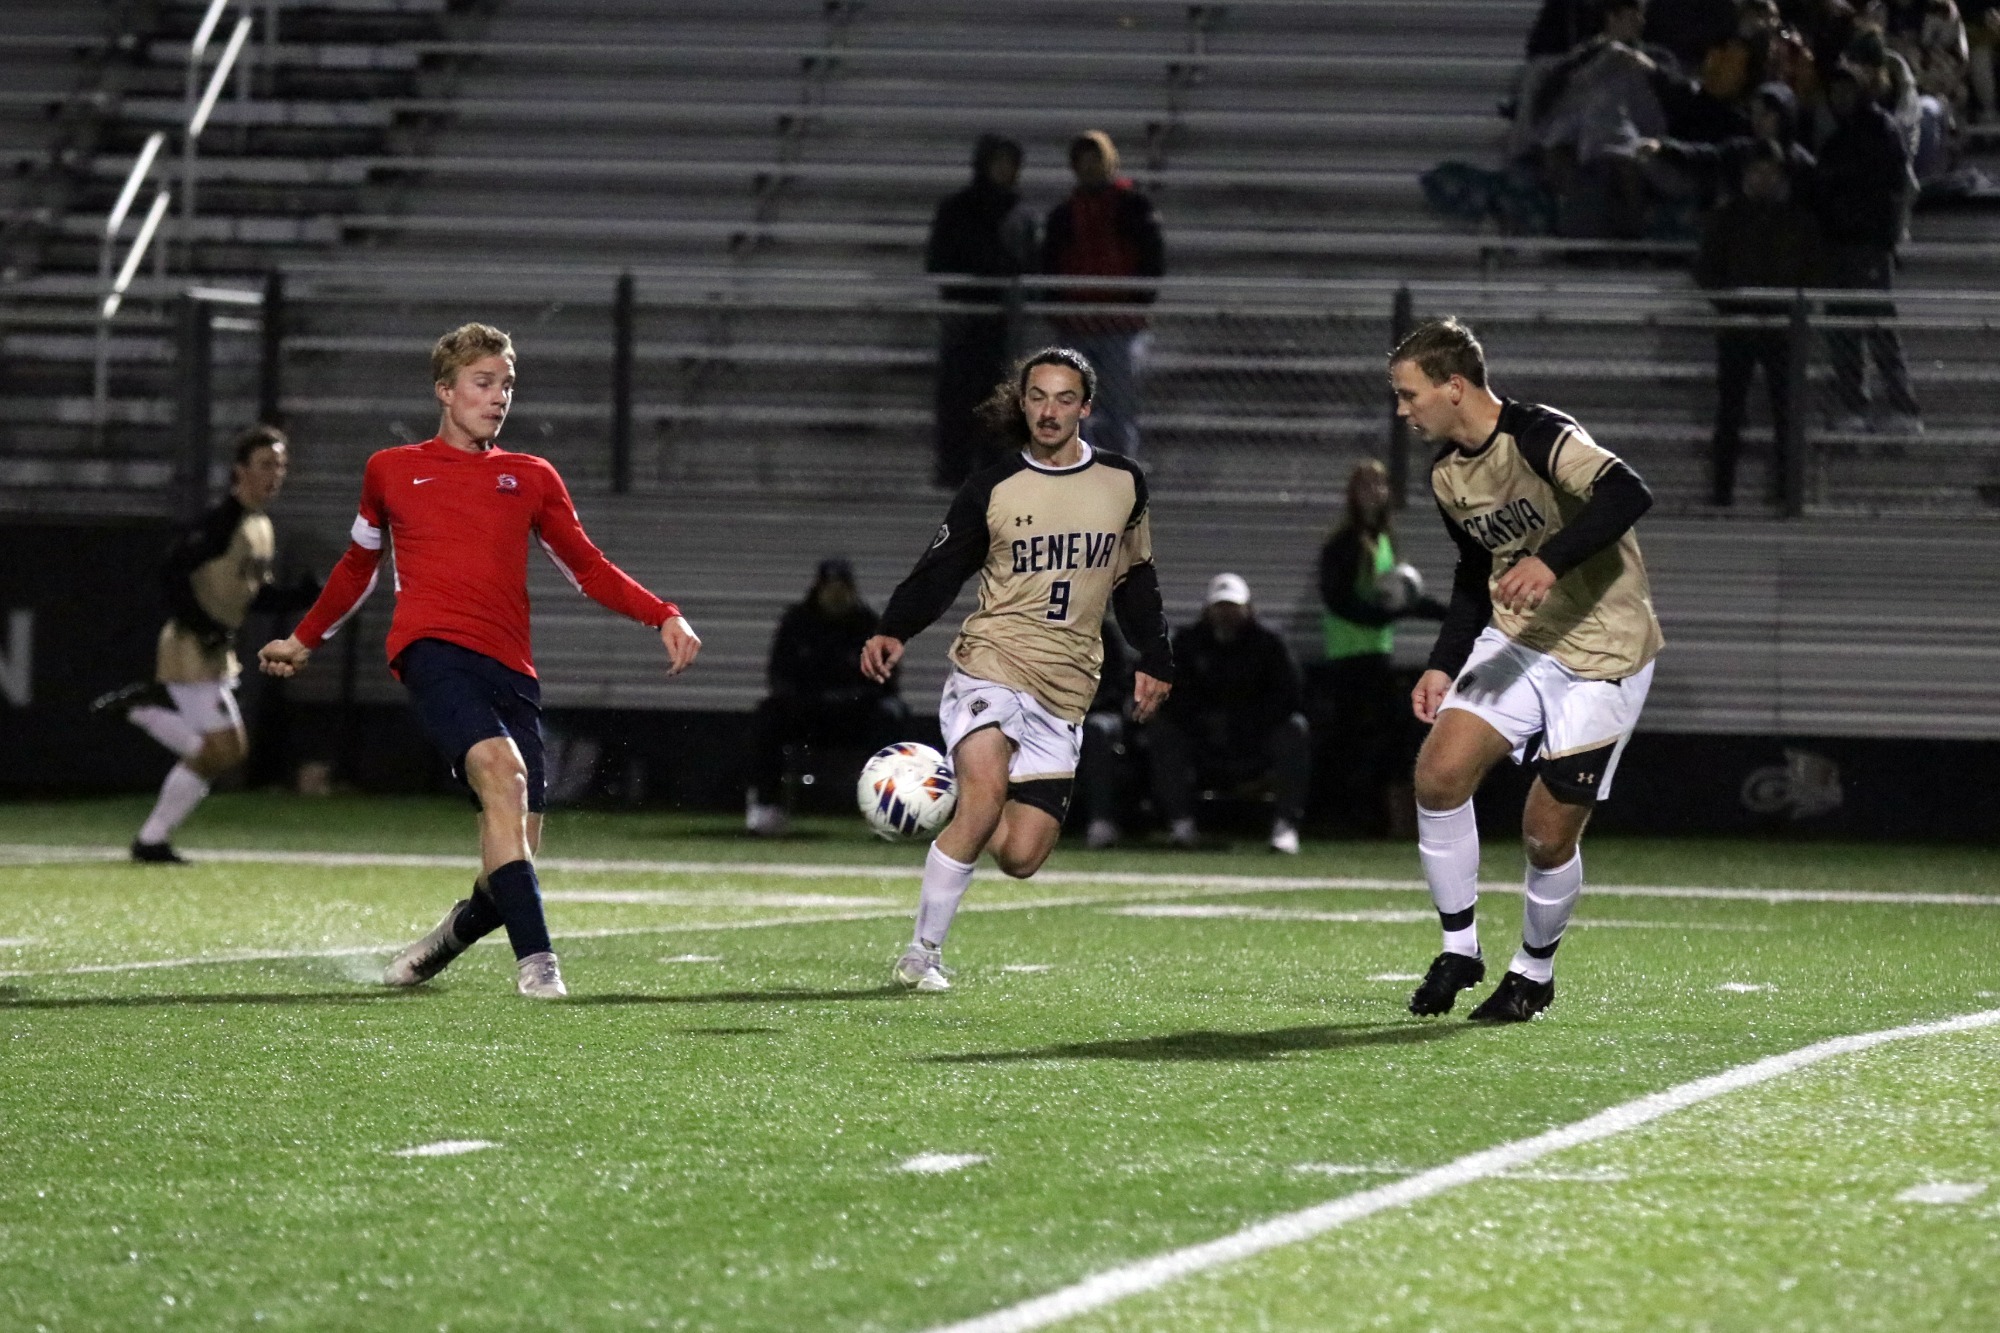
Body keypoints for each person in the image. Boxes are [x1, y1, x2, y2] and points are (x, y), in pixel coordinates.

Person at [258, 323, 700, 1000]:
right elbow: (358, 565)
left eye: (507, 385)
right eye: (484, 383)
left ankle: (446, 939)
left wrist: (662, 613)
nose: (499, 398)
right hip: (431, 651)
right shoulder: (390, 469)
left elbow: (586, 567)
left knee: (511, 856)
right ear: (445, 390)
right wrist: (304, 638)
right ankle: (540, 965)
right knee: (502, 770)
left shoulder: (532, 477)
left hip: (511, 670)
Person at [861, 347, 1173, 992]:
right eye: (1038, 397)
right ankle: (923, 953)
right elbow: (941, 569)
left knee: (1022, 857)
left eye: (1064, 398)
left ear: (1086, 408)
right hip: (991, 664)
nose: (1049, 411)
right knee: (983, 802)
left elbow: (1136, 578)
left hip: (1067, 687)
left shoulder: (1123, 482)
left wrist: (1156, 654)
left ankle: (951, 794)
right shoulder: (993, 487)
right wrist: (894, 627)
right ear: (1023, 403)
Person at [1390, 318, 1663, 1023]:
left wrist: (1549, 561)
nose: (1402, 410)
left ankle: (1533, 974)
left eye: (1409, 394)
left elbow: (1629, 492)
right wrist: (1443, 664)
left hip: (1604, 652)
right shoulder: (1447, 473)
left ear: (1454, 387)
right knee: (1438, 774)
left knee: (1545, 835)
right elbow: (1471, 572)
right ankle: (1460, 948)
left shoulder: (1540, 434)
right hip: (1519, 641)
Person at [91, 425, 308, 862]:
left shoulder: (259, 524)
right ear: (240, 470)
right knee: (224, 751)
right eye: (266, 464)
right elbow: (172, 570)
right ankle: (143, 712)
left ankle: (152, 839)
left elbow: (254, 595)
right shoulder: (222, 522)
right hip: (190, 648)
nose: (275, 474)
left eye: (281, 465)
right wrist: (202, 625)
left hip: (215, 649)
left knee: (222, 754)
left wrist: (303, 596)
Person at [1313, 460, 1446, 835]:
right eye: (1366, 485)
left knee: (1385, 738)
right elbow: (1337, 599)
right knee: (1353, 740)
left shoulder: (1383, 539)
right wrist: (1384, 616)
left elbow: (1402, 597)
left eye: (1380, 484)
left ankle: (1383, 820)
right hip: (1348, 655)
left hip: (1376, 653)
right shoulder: (1344, 543)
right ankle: (1344, 818)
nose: (1375, 492)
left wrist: (1450, 615)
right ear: (1353, 494)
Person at [1693, 140, 1822, 505]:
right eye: (1757, 171)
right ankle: (1722, 494)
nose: (1763, 179)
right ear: (1746, 175)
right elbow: (1706, 270)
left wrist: (1791, 307)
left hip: (1782, 329)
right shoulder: (1727, 218)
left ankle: (1786, 493)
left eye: (1770, 172)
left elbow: (1814, 269)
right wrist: (1731, 303)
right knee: (1730, 412)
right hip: (1739, 325)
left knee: (1786, 414)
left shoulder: (1798, 220)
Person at [1148, 573, 1311, 854]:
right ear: (1208, 610)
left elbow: (1289, 695)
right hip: (1203, 738)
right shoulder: (1187, 643)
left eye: (1233, 607)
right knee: (1163, 729)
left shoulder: (1269, 644)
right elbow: (1173, 695)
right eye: (1220, 607)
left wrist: (1247, 722)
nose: (1226, 614)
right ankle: (1181, 825)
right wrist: (1204, 721)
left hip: (1256, 738)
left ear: (1248, 608)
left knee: (1295, 729)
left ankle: (1285, 826)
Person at [744, 557, 908, 836]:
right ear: (818, 589)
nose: (836, 594)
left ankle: (886, 809)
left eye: (842, 587)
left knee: (891, 717)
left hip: (856, 714)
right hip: (807, 714)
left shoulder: (869, 625)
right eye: (830, 587)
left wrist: (856, 698)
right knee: (767, 716)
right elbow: (779, 674)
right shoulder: (797, 623)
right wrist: (803, 698)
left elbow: (887, 680)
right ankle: (766, 807)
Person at [1041, 132, 1165, 460]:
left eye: (1095, 159)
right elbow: (1050, 263)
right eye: (1083, 160)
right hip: (1076, 325)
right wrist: (1059, 309)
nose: (1089, 167)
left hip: (1120, 325)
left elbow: (1152, 259)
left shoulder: (1133, 206)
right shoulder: (1064, 213)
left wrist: (1135, 303)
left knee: (1118, 413)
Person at [925, 134, 1038, 489]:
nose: (1005, 170)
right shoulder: (957, 208)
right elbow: (939, 260)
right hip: (965, 320)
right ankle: (952, 474)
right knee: (958, 403)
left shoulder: (1021, 213)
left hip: (1003, 325)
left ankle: (994, 476)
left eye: (1011, 164)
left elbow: (1031, 263)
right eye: (999, 162)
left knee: (1000, 402)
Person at [1815, 64, 1923, 434]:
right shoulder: (1837, 139)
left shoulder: (1880, 129)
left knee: (1878, 325)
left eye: (1847, 89)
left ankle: (1902, 406)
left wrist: (1892, 234)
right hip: (1838, 244)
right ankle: (1853, 404)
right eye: (1835, 91)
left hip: (1869, 244)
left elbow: (1902, 184)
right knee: (1843, 329)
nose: (1840, 97)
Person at [1076, 622, 1135, 849]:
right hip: (1056, 713)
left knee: (1095, 732)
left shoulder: (1105, 636)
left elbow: (1117, 683)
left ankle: (1100, 821)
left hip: (1099, 712)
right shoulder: (1047, 629)